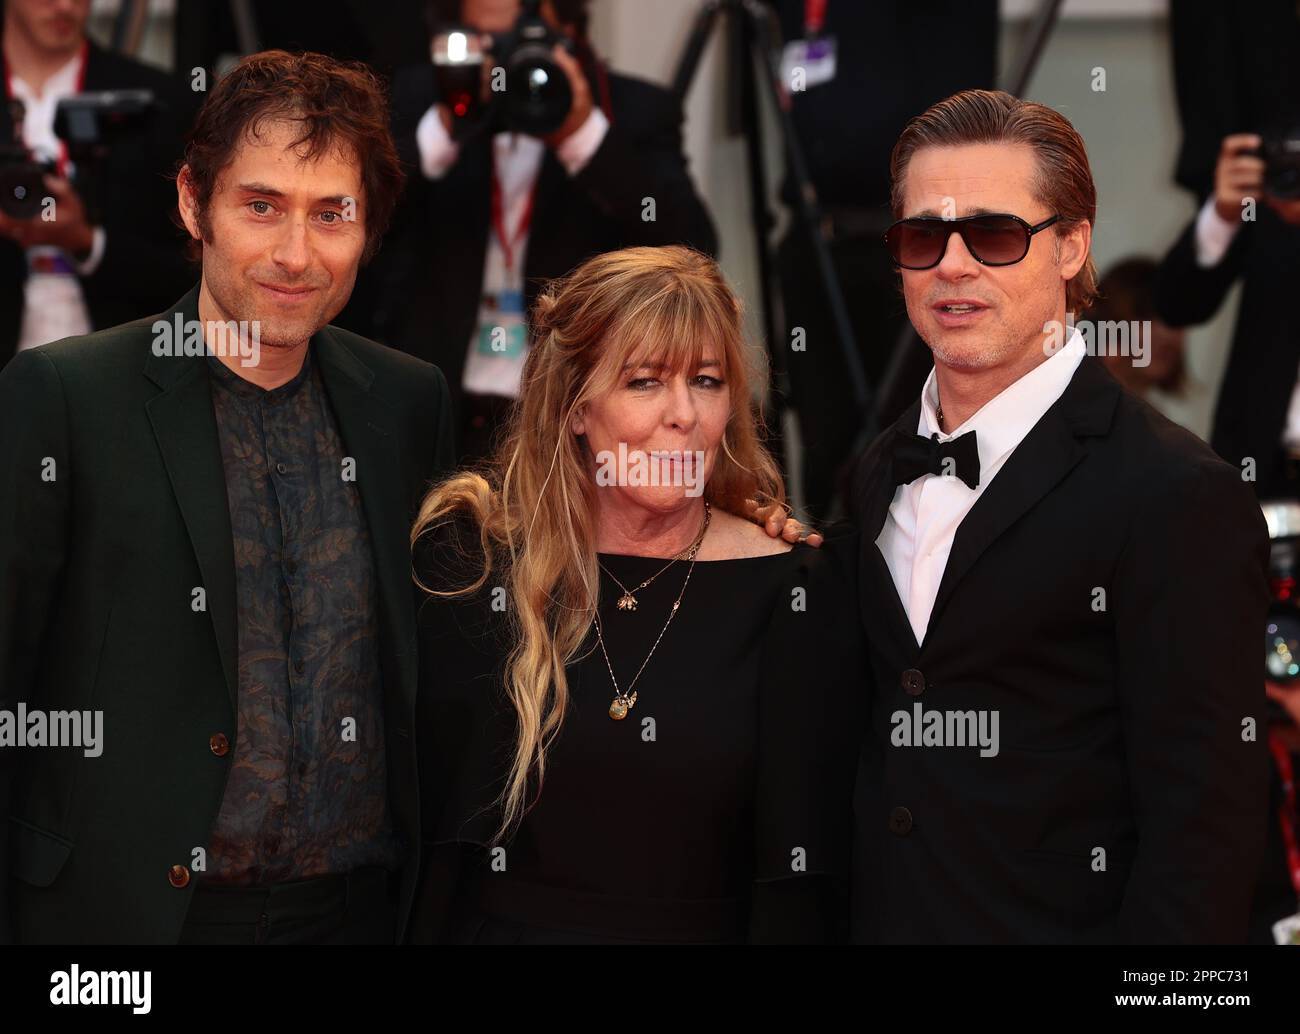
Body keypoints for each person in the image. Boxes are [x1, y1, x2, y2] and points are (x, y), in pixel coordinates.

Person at [0, 50, 454, 944]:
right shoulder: (64, 396)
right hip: (130, 921)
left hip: (355, 915)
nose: (295, 253)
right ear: (191, 202)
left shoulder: (407, 403)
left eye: (332, 214)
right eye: (261, 206)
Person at [850, 89, 1270, 943]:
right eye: (924, 237)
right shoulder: (871, 472)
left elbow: (1207, 833)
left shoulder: (1176, 492)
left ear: (1073, 246)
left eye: (997, 235)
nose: (953, 267)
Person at [409, 245, 864, 943]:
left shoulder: (796, 592)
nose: (683, 414)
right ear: (576, 408)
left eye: (707, 382)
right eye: (646, 381)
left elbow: (812, 877)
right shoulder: (473, 569)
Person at [351, 0, 718, 462]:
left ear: (570, 33)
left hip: (567, 417)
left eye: (526, 39)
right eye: (486, 42)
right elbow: (357, 221)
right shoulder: (426, 95)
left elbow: (693, 246)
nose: (505, 59)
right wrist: (446, 125)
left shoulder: (634, 111)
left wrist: (582, 134)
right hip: (439, 402)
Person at [0, 0, 200, 364]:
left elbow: (197, 269)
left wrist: (89, 244)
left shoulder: (158, 101)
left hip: (123, 371)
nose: (65, 6)